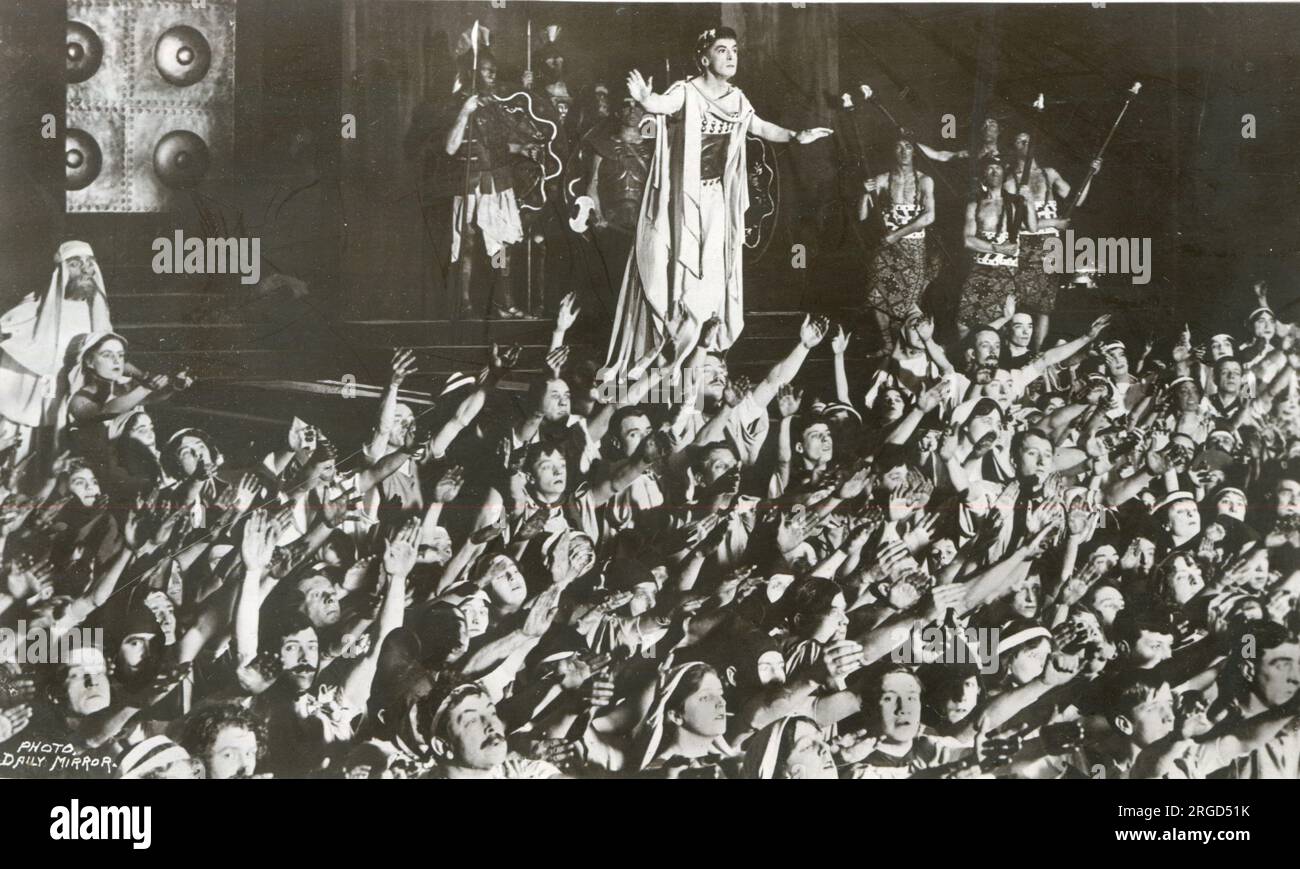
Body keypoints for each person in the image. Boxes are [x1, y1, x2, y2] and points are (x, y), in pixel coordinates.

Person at [607, 26, 831, 371]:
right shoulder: (687, 91)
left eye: (735, 50)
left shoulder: (737, 98)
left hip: (715, 199)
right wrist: (644, 99)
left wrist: (796, 135)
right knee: (682, 266)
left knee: (712, 268)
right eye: (722, 49)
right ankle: (675, 344)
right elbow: (662, 105)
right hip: (683, 199)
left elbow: (760, 127)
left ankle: (704, 343)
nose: (731, 56)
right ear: (704, 57)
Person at [859, 135, 937, 352]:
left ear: (914, 151)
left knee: (908, 300)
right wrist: (865, 194)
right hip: (887, 249)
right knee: (876, 294)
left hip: (912, 247)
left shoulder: (924, 180)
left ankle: (916, 347)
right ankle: (887, 344)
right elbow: (863, 216)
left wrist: (898, 234)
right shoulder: (883, 179)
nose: (903, 152)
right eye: (899, 147)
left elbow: (929, 217)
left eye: (908, 147)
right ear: (893, 151)